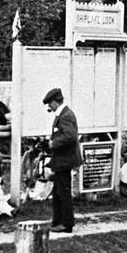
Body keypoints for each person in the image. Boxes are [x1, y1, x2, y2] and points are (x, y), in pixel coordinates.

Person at [44, 87, 82, 234]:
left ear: (55, 102)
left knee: (63, 192)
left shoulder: (65, 115)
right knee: (59, 191)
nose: (49, 107)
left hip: (65, 160)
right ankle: (58, 221)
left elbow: (70, 136)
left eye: (49, 104)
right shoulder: (63, 114)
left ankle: (66, 224)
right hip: (62, 159)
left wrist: (53, 144)